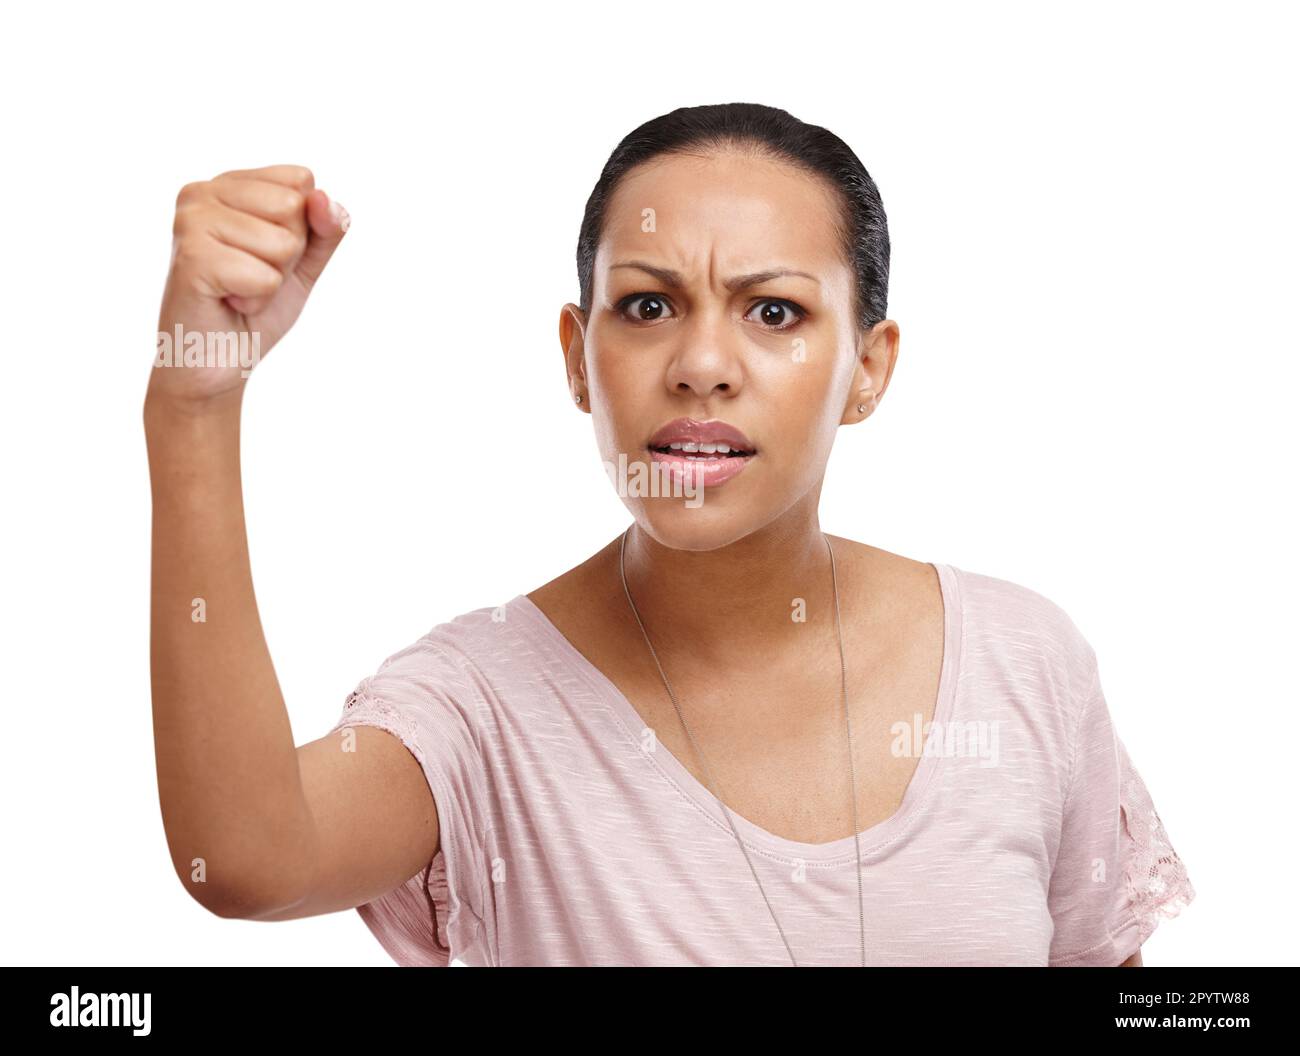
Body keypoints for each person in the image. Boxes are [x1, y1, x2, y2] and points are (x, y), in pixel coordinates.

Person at [145, 102, 1194, 967]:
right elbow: (241, 861)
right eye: (647, 307)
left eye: (772, 312)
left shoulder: (1021, 662)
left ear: (867, 367)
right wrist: (194, 408)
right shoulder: (479, 707)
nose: (700, 363)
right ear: (575, 355)